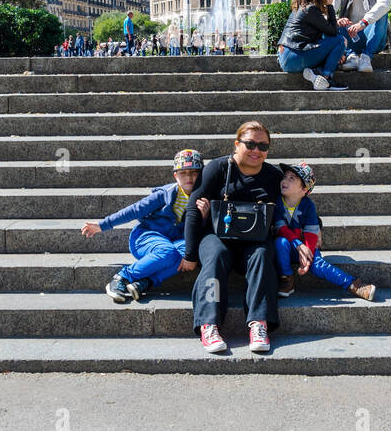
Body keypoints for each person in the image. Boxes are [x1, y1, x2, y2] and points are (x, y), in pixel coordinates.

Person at [180, 121, 282, 354]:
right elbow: (193, 209)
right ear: (237, 144)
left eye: (263, 146)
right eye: (250, 144)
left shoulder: (273, 175)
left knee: (263, 255)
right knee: (215, 257)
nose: (257, 150)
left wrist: (315, 226)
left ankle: (259, 323)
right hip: (217, 236)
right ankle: (210, 325)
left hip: (254, 239)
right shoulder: (218, 168)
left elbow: (293, 206)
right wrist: (190, 254)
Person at [83, 150, 210, 302]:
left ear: (202, 174)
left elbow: (204, 233)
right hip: (147, 237)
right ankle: (122, 277)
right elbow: (134, 210)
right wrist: (103, 225)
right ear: (175, 175)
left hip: (176, 242)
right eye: (183, 172)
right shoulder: (166, 194)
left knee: (188, 252)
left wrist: (204, 218)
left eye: (194, 172)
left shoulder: (206, 198)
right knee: (167, 250)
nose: (189, 177)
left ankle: (144, 283)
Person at [273, 162, 376, 301]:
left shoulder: (308, 206)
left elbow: (311, 233)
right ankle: (287, 280)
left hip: (307, 247)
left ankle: (352, 284)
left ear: (304, 189)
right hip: (288, 248)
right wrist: (299, 245)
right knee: (281, 242)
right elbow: (281, 228)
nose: (285, 181)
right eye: (285, 177)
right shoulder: (278, 202)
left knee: (318, 266)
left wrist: (307, 259)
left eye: (292, 179)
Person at [278, 0, 347, 91]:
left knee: (332, 42)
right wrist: (330, 6)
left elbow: (325, 33)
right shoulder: (310, 9)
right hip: (294, 57)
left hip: (286, 57)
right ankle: (326, 78)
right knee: (340, 40)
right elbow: (333, 32)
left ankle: (315, 73)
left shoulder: (301, 6)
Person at [331, 0, 391, 74]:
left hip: (374, 38)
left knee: (382, 13)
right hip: (350, 38)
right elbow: (328, 9)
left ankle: (366, 57)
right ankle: (350, 56)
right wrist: (337, 19)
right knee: (330, 21)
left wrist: (363, 23)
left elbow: (385, 2)